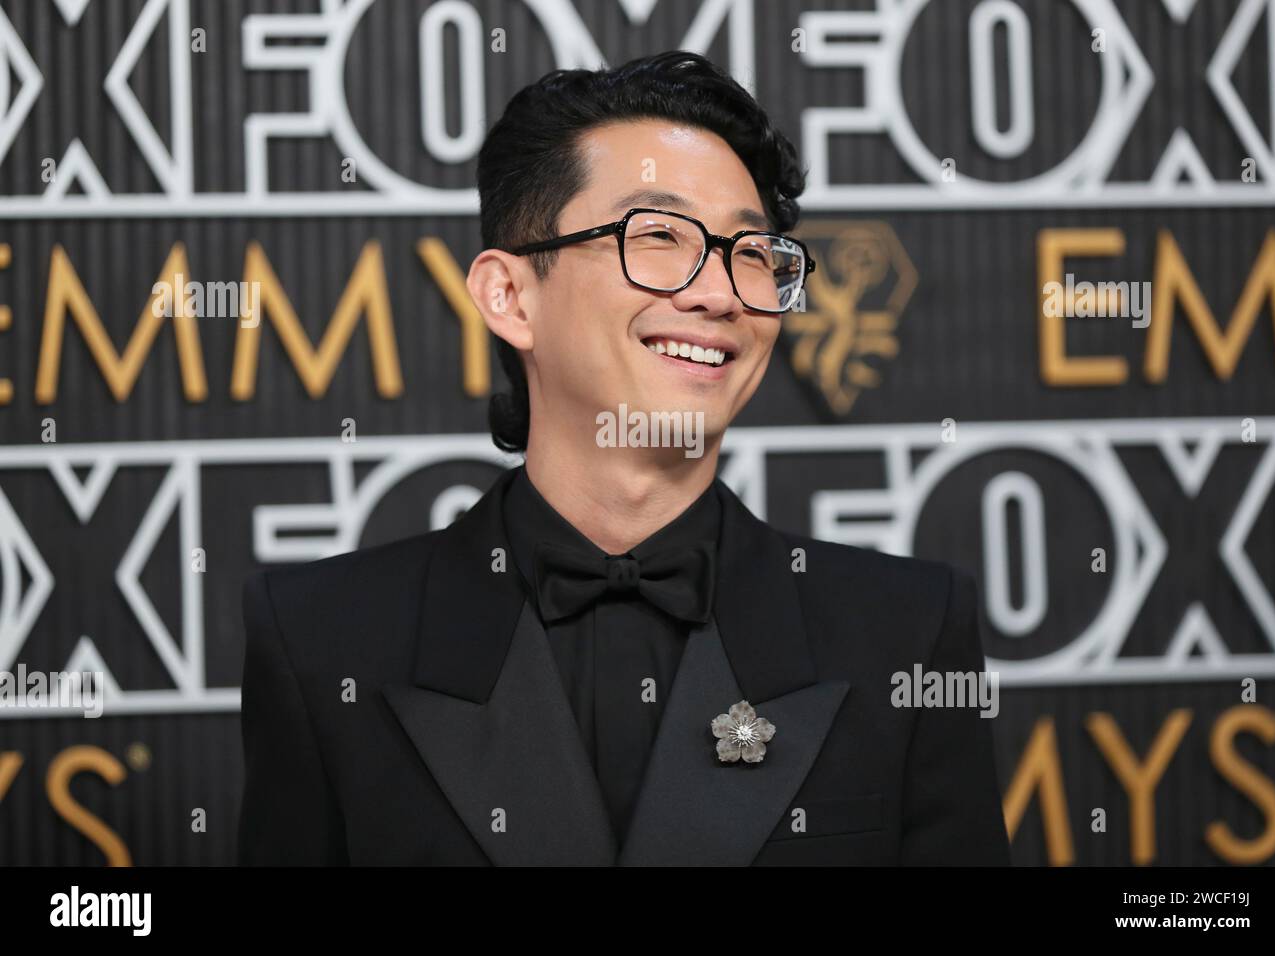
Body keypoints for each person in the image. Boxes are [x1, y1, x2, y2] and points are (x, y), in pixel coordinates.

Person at [237, 50, 1010, 866]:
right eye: (660, 236)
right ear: (509, 296)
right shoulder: (323, 642)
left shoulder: (905, 634)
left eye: (751, 254)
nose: (718, 295)